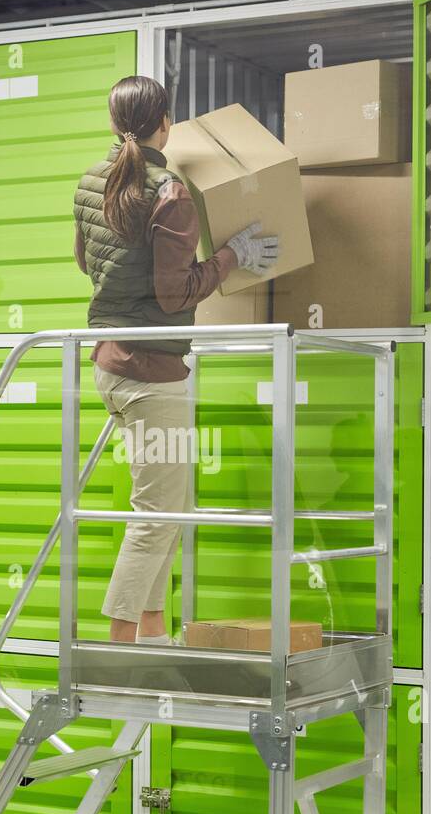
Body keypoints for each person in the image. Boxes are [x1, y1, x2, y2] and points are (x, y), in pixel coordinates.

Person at [74, 75, 279, 644]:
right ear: (166, 123)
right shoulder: (170, 192)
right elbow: (174, 294)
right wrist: (231, 258)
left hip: (110, 366)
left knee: (172, 503)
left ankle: (153, 629)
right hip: (152, 377)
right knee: (157, 513)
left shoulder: (92, 181)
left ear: (114, 123)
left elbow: (85, 264)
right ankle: (119, 645)